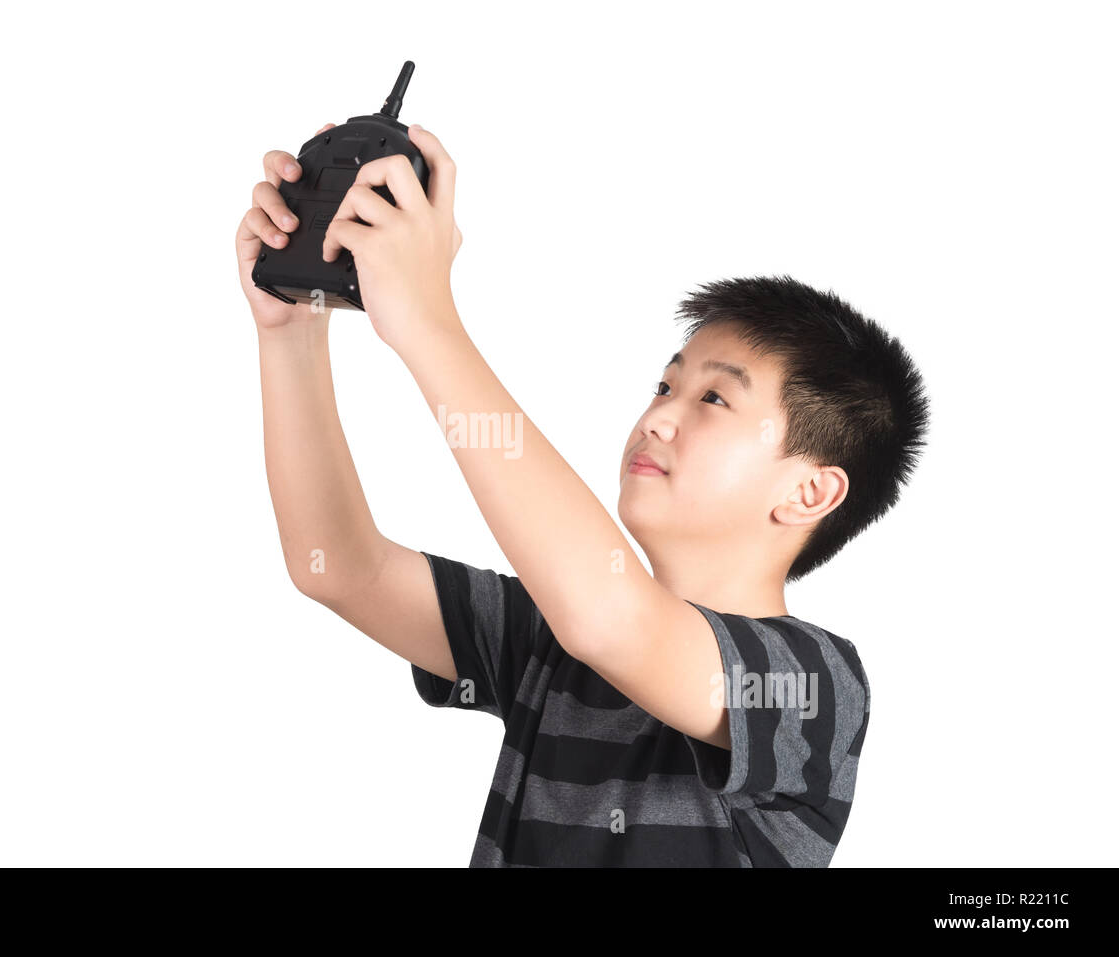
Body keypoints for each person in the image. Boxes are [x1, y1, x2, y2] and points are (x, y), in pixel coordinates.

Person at [236, 122, 930, 866]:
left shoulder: (814, 689)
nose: (659, 414)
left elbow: (608, 618)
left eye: (715, 400)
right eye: (665, 384)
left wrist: (427, 321)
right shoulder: (551, 639)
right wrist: (291, 330)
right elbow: (338, 566)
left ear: (810, 491)